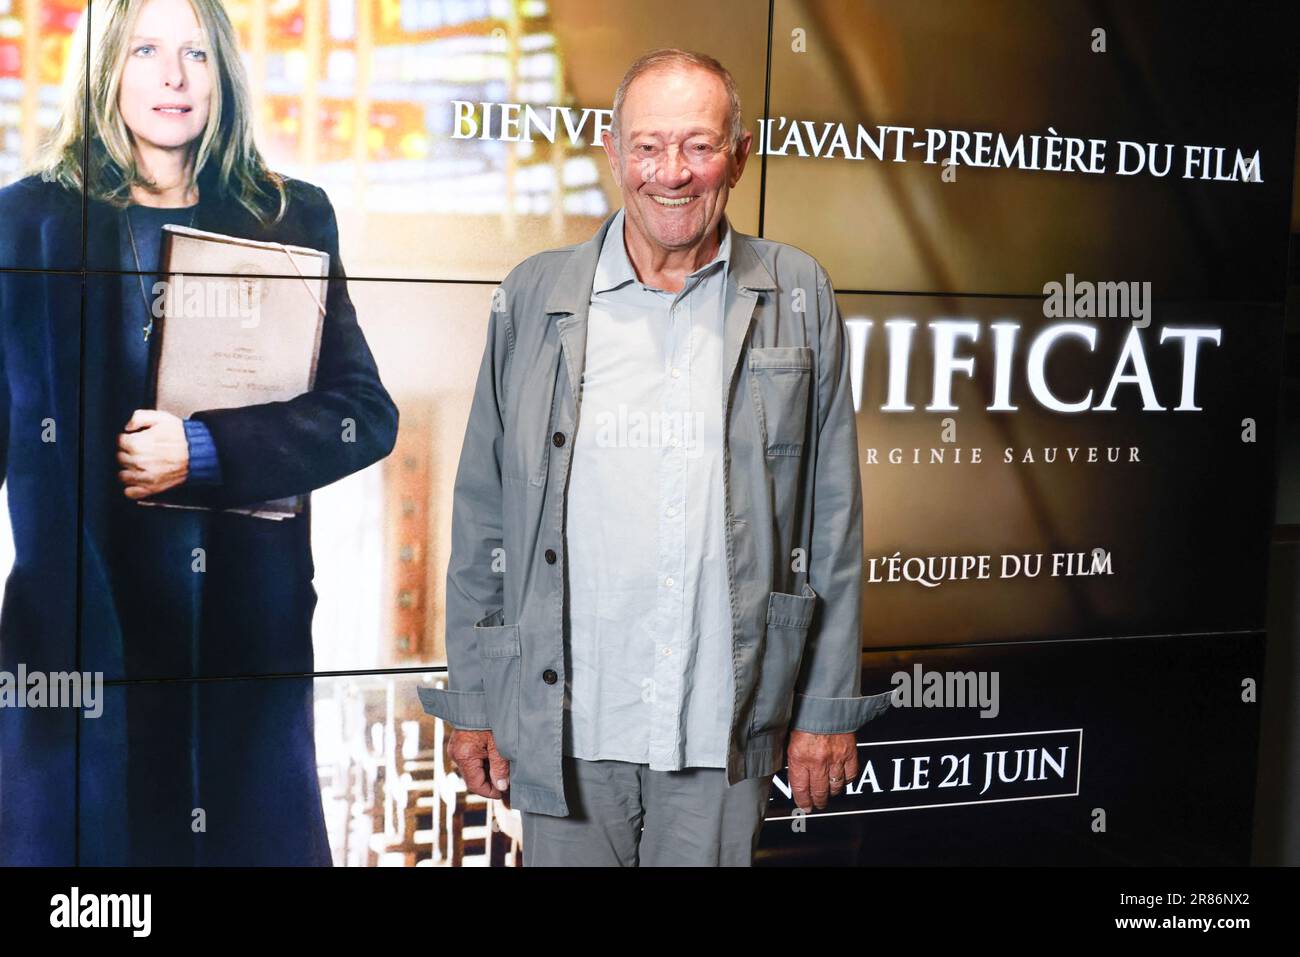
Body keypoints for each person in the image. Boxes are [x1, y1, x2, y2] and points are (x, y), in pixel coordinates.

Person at [419, 48, 892, 866]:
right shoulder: (533, 295)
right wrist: (473, 697)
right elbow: (482, 513)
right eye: (647, 147)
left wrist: (826, 707)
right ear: (612, 152)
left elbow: (834, 520)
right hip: (567, 724)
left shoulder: (799, 293)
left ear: (738, 157)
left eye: (699, 146)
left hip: (722, 721)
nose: (671, 173)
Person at [0, 0, 398, 865]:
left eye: (195, 54)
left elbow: (363, 413)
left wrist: (206, 450)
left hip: (241, 654)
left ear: (225, 73)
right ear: (105, 66)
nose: (172, 77)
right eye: (144, 49)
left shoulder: (291, 217)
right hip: (74, 663)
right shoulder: (22, 222)